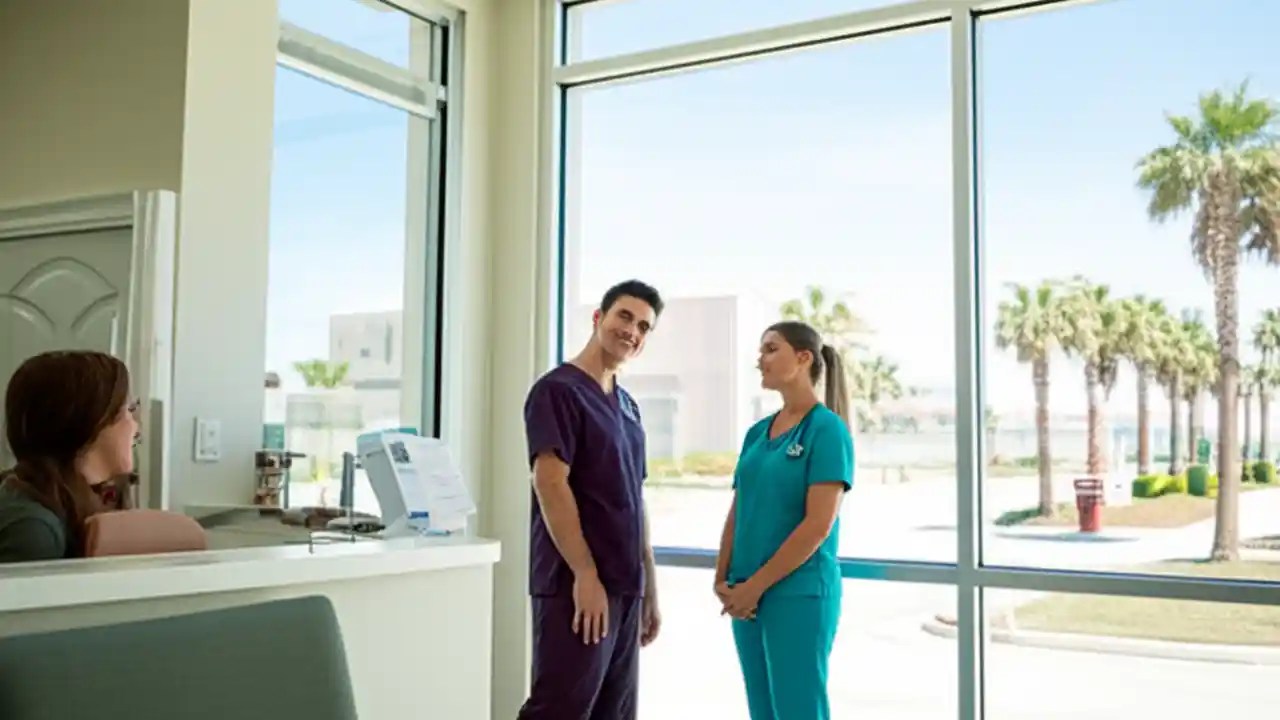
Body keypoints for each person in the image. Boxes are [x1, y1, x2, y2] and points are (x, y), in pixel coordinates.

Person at [517, 279, 665, 720]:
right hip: (575, 586)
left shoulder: (628, 407)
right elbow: (550, 483)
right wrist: (585, 573)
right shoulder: (558, 391)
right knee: (560, 709)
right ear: (599, 318)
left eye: (643, 326)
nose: (632, 331)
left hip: (625, 587)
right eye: (624, 316)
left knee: (614, 714)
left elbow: (633, 498)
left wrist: (649, 584)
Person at [714, 321, 855, 720]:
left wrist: (755, 587)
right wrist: (722, 577)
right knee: (763, 711)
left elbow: (817, 526)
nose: (760, 359)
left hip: (799, 595)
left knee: (798, 710)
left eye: (771, 349)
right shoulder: (758, 433)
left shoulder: (827, 430)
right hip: (745, 596)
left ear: (803, 358)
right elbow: (739, 510)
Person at [0, 351, 139, 563]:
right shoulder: (33, 528)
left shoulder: (84, 501)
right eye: (127, 410)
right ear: (92, 423)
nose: (135, 427)